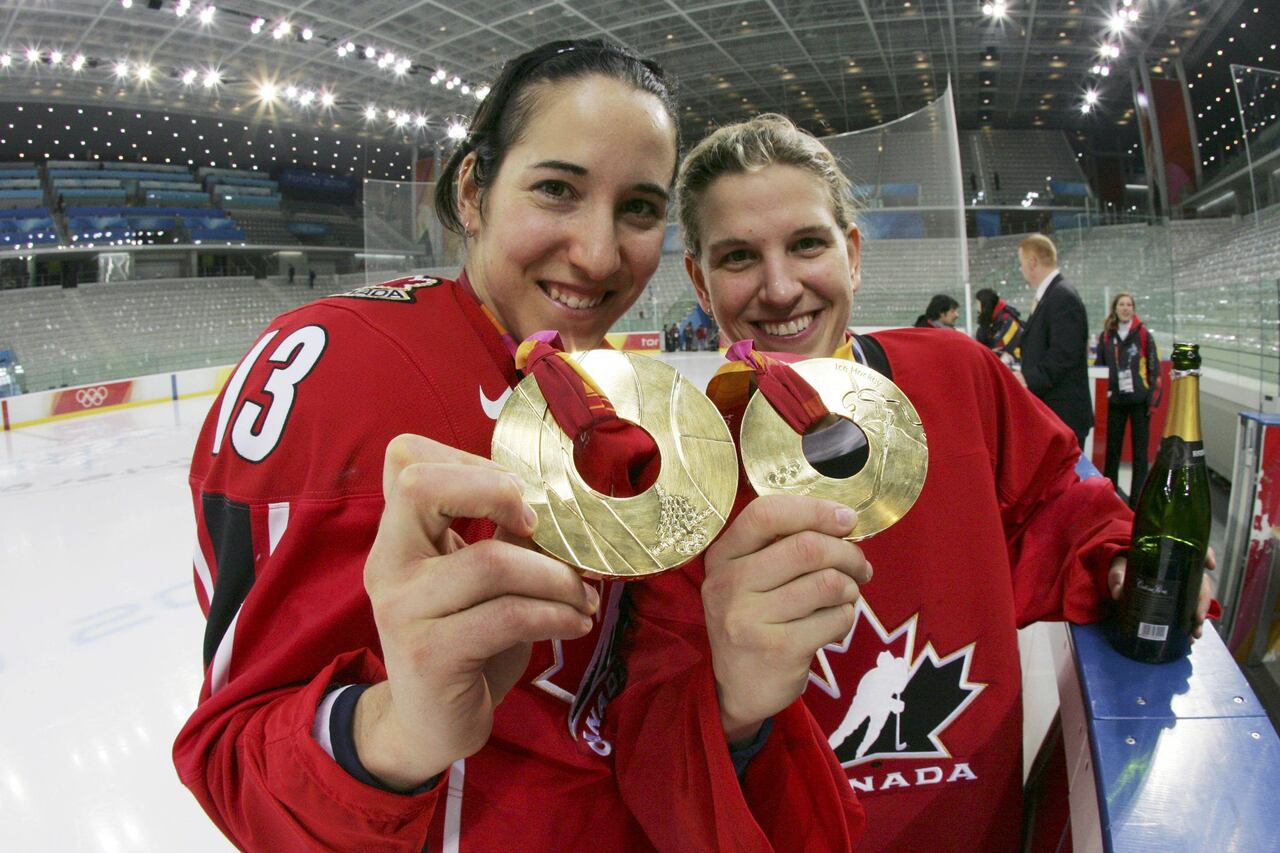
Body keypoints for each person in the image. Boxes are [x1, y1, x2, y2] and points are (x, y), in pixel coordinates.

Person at [175, 42, 863, 851]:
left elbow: (633, 709)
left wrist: (733, 700)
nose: (600, 253)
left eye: (638, 208)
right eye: (556, 190)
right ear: (474, 191)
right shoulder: (340, 370)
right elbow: (232, 754)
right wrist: (399, 729)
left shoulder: (630, 406)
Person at [673, 113, 1214, 853]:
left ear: (853, 255)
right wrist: (733, 710)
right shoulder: (680, 470)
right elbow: (662, 736)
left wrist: (1119, 556)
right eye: (739, 257)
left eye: (807, 244)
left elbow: (1060, 504)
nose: (779, 286)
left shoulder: (958, 375)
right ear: (699, 280)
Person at [1015, 233, 1093, 448]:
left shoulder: (1062, 297)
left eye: (1021, 264)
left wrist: (1026, 378)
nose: (1021, 270)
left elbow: (1063, 355)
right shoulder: (1052, 295)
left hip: (1064, 414)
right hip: (1053, 413)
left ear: (1033, 263)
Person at [1095, 292, 1161, 506]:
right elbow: (1100, 367)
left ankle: (1137, 501)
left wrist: (1151, 399)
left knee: (1140, 454)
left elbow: (1154, 369)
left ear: (1133, 309)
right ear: (1115, 308)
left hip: (1139, 403)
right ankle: (1110, 497)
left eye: (1129, 304)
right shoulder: (1106, 336)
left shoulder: (1143, 335)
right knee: (1112, 451)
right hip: (1116, 401)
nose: (1125, 308)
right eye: (1121, 304)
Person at [974, 286, 1023, 362]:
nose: (977, 308)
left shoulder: (1006, 320)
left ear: (984, 304)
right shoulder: (990, 321)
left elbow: (1004, 348)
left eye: (978, 303)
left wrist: (990, 352)